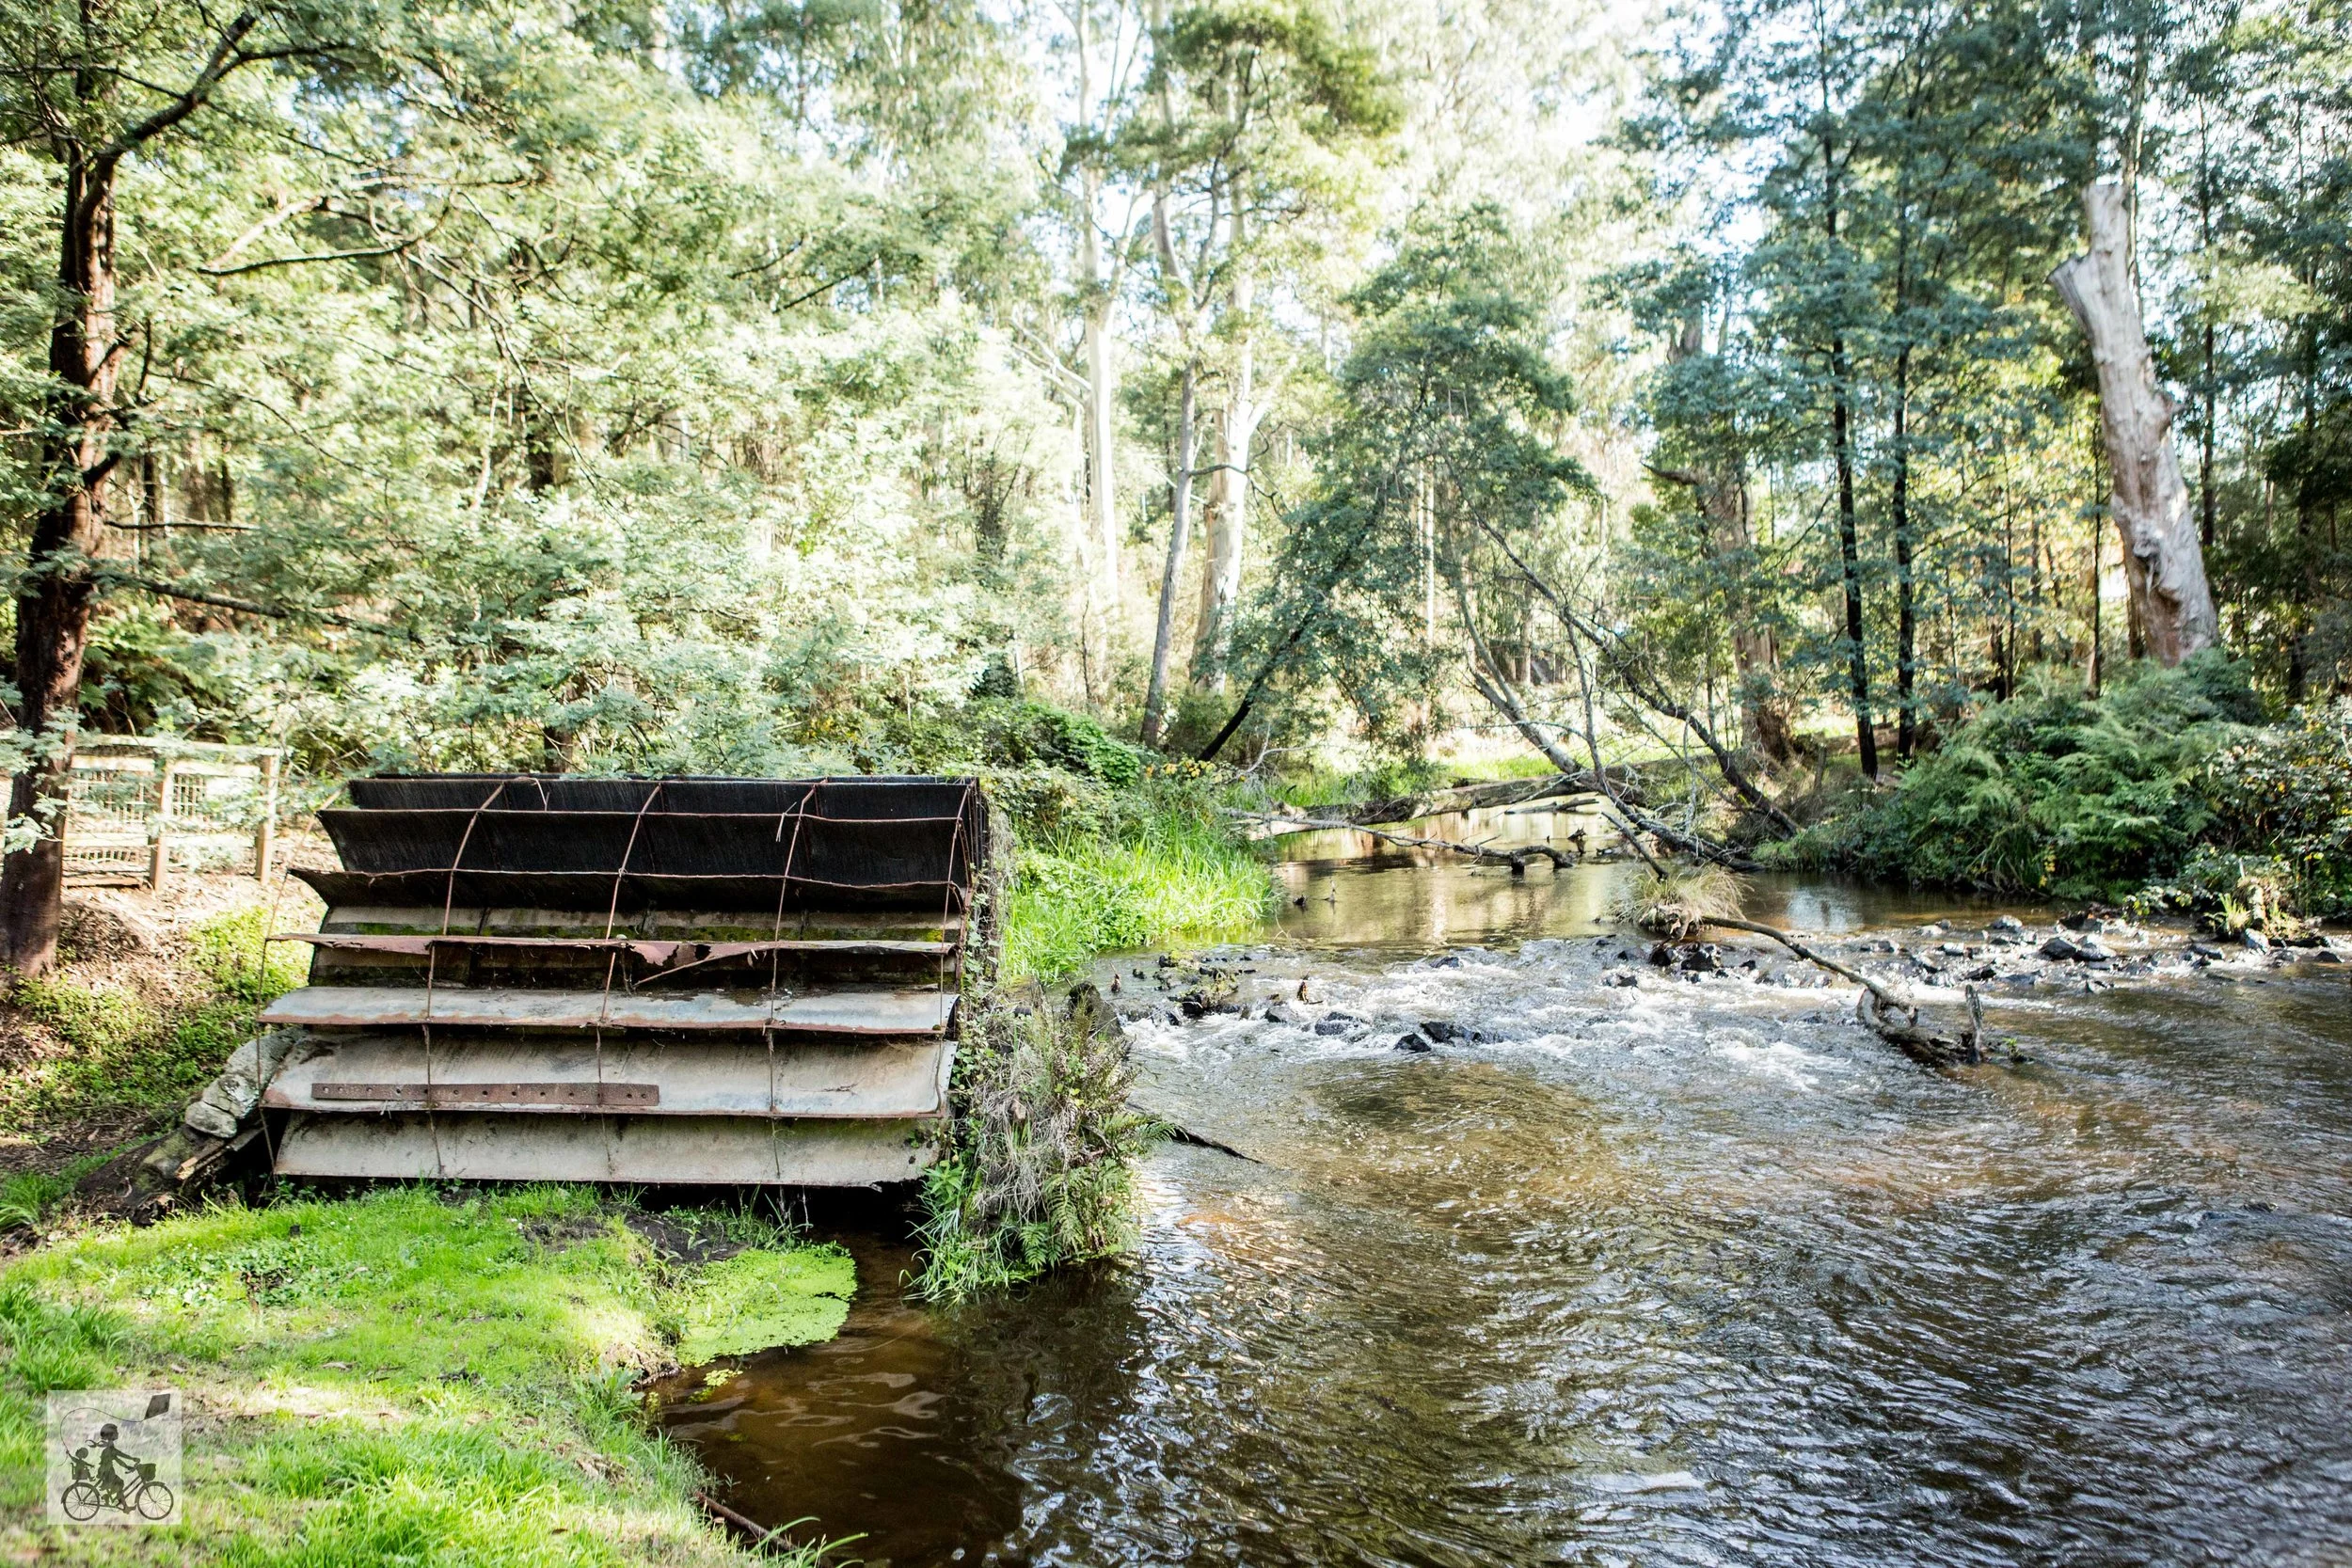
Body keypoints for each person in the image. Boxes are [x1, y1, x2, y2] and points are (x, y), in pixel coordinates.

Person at [92, 1424, 133, 1505]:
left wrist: (127, 1466)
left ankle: (123, 1505)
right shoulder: (110, 1448)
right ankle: (109, 1497)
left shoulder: (110, 1446)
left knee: (119, 1484)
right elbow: (119, 1454)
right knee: (119, 1483)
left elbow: (117, 1459)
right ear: (110, 1435)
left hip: (107, 1470)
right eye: (116, 1432)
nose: (117, 1433)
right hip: (107, 1471)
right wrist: (132, 1459)